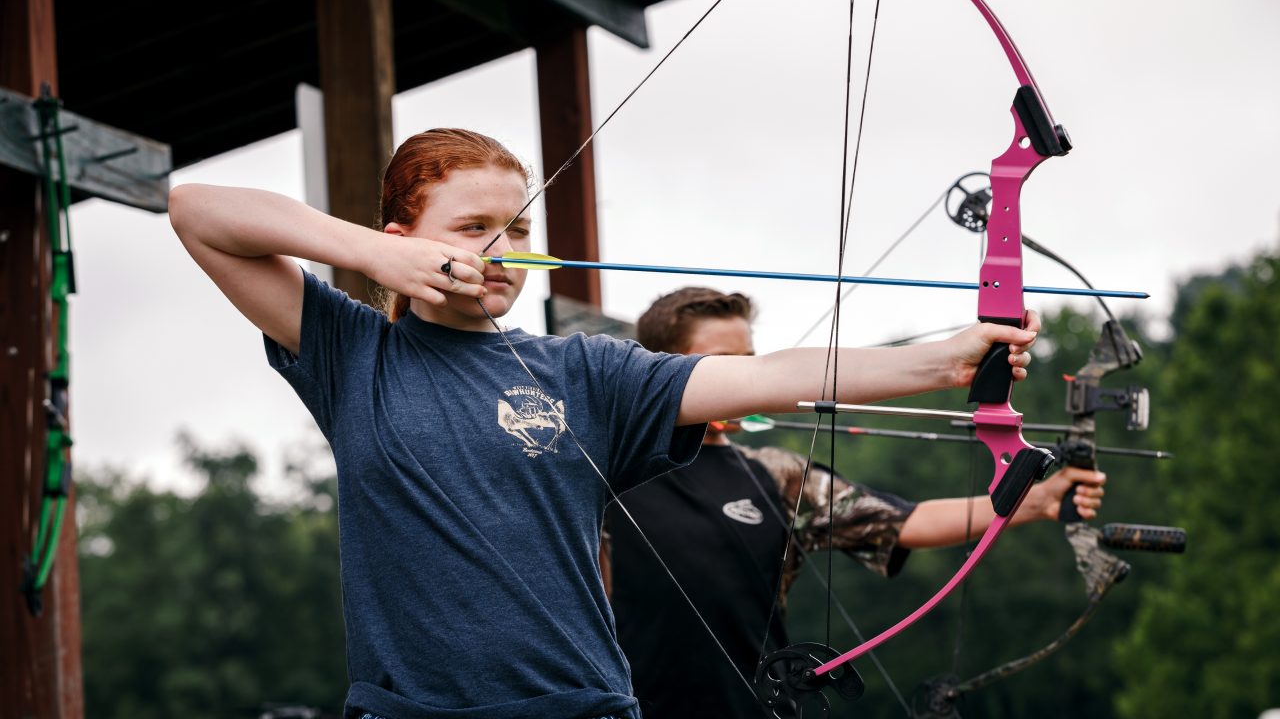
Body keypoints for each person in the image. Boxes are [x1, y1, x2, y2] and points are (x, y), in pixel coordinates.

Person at [167, 128, 1043, 719]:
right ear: (407, 235)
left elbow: (772, 374)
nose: (504, 251)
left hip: (580, 706)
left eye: (518, 229)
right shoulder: (354, 356)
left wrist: (947, 360)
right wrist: (370, 253)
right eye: (475, 229)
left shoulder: (584, 372)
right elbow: (196, 211)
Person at [607, 287, 1105, 719]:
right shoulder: (602, 469)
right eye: (722, 362)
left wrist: (1036, 500)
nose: (745, 375)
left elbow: (905, 522)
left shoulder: (776, 475)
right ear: (664, 369)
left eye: (751, 359)